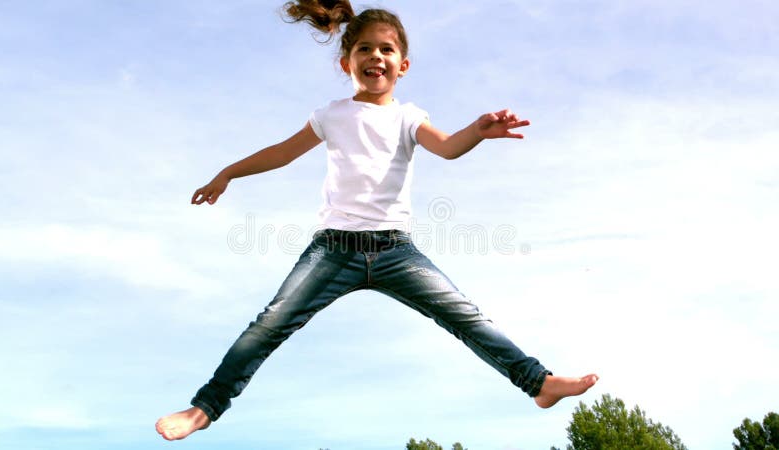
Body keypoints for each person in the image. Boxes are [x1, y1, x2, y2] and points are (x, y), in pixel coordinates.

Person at [156, 0, 598, 441]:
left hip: (395, 252)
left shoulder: (408, 117)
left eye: (386, 50)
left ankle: (538, 384)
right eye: (365, 49)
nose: (376, 57)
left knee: (466, 316)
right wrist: (228, 172)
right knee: (270, 323)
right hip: (333, 249)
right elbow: (282, 152)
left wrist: (476, 133)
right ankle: (205, 407)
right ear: (346, 61)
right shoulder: (331, 115)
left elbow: (445, 146)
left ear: (402, 65)